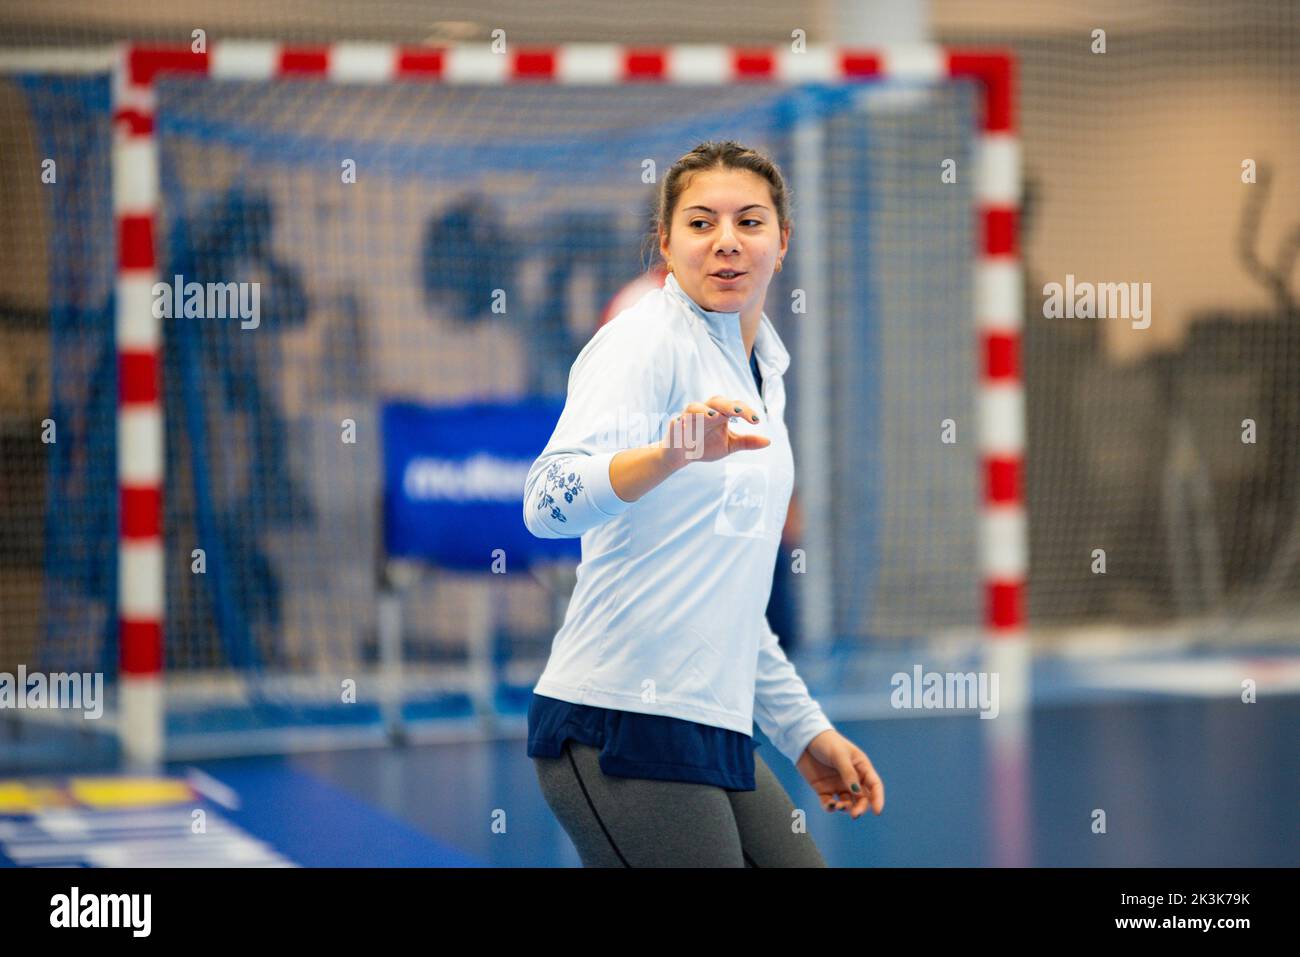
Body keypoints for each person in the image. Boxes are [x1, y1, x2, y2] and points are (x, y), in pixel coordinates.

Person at [522, 140, 884, 867]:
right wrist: (669, 454)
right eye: (700, 222)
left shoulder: (763, 374)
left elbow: (732, 602)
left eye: (749, 221)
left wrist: (804, 731)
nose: (726, 241)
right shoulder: (641, 341)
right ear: (665, 243)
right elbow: (544, 503)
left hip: (716, 726)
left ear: (782, 241)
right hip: (617, 720)